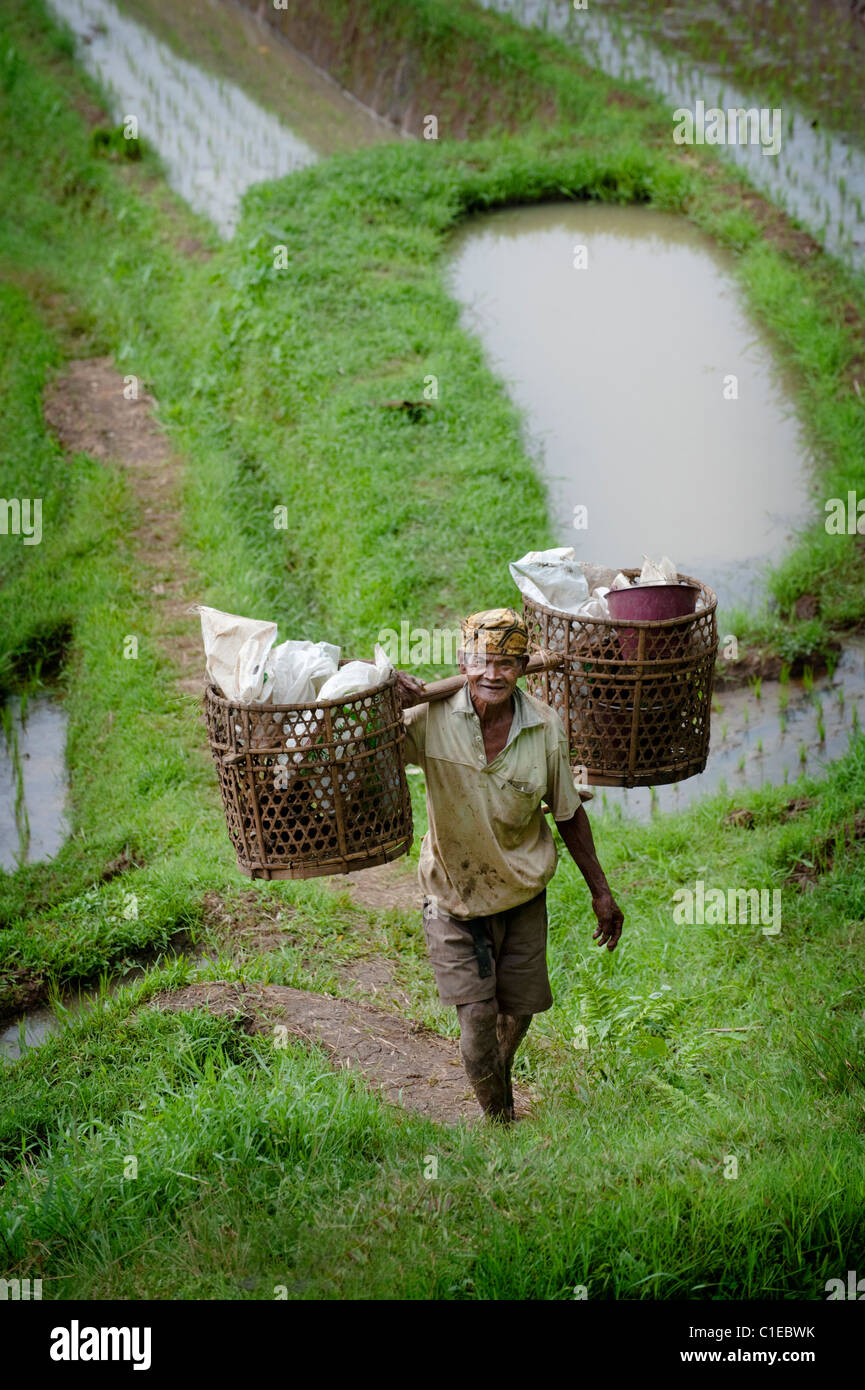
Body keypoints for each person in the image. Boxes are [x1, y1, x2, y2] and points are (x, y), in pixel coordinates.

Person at [395, 607, 624, 1125]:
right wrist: (390, 695)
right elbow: (366, 744)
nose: (492, 675)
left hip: (522, 893)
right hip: (451, 895)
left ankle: (496, 1077)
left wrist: (601, 892)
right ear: (462, 661)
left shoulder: (544, 727)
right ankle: (502, 1123)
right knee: (476, 1019)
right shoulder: (429, 720)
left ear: (522, 668)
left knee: (516, 1013)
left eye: (505, 664)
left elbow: (567, 813)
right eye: (481, 662)